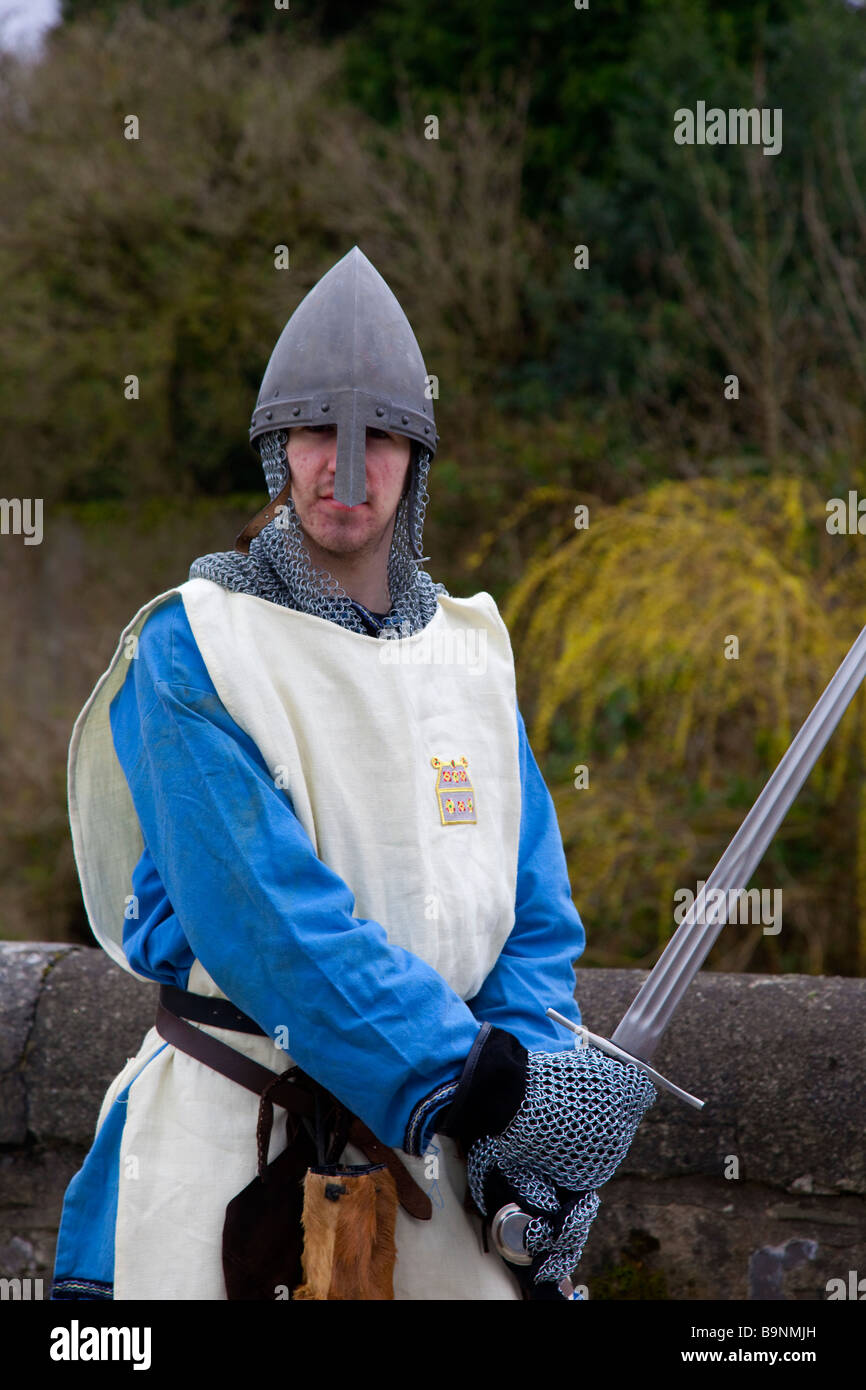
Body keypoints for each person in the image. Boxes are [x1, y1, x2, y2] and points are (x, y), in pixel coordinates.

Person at [51, 247, 653, 1303]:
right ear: (275, 448)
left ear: (414, 462)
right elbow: (270, 929)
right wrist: (484, 1086)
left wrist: (516, 1122)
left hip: (448, 1169)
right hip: (230, 1150)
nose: (344, 465)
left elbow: (531, 917)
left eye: (379, 437)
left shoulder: (469, 653)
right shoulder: (189, 651)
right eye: (317, 432)